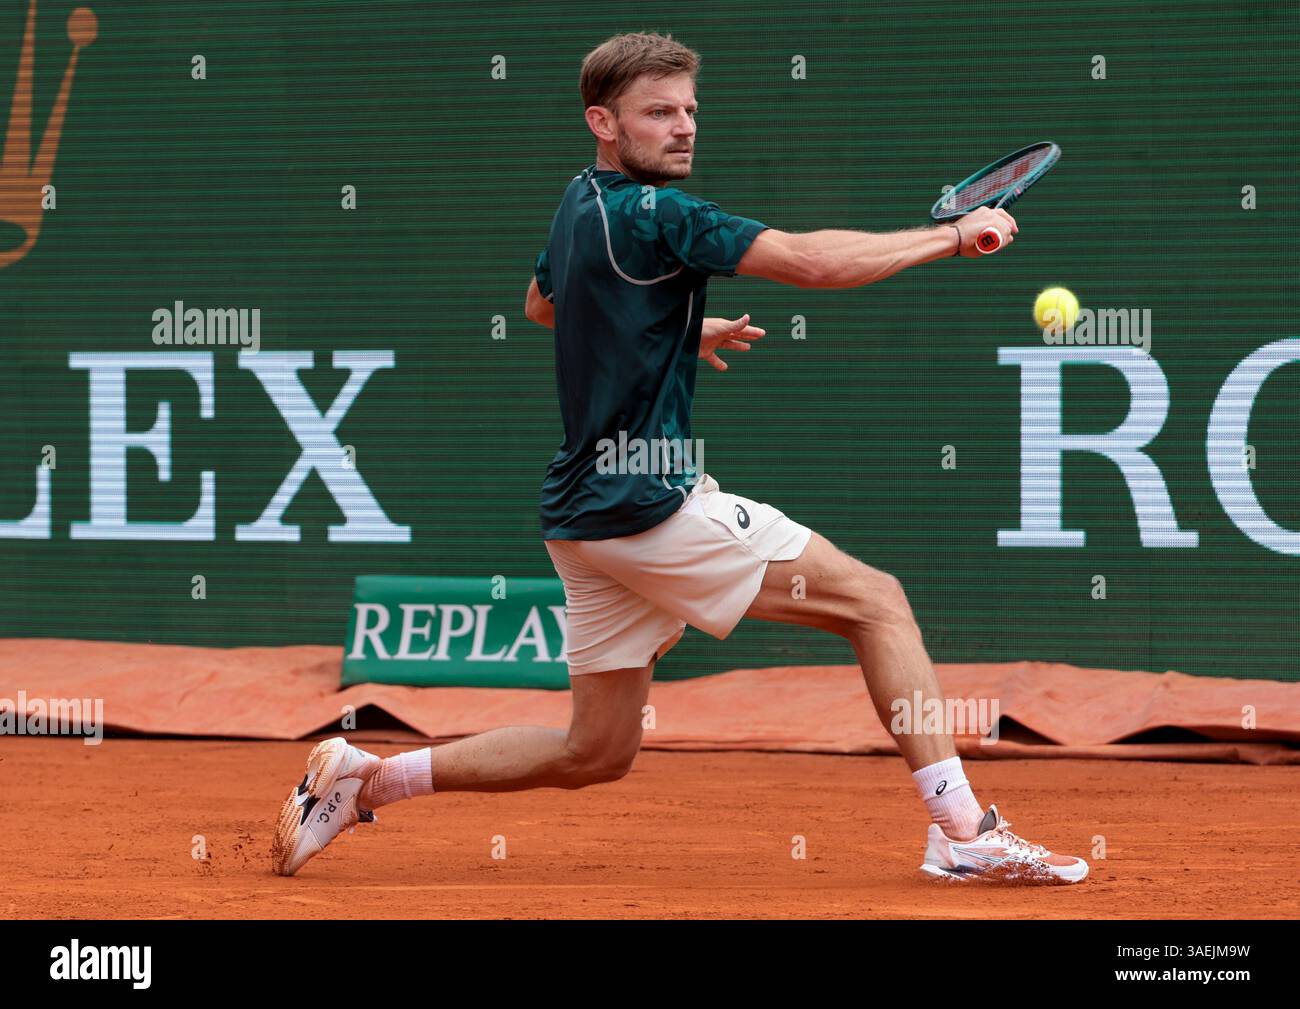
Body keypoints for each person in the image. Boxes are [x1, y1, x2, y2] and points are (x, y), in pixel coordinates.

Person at [272, 31, 1087, 885]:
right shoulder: (664, 216)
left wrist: (673, 330)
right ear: (604, 120)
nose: (683, 127)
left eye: (689, 110)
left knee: (596, 750)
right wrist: (954, 238)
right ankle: (963, 830)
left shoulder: (580, 200)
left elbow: (546, 305)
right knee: (877, 603)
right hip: (647, 505)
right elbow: (810, 261)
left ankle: (365, 779)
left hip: (583, 518)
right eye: (658, 112)